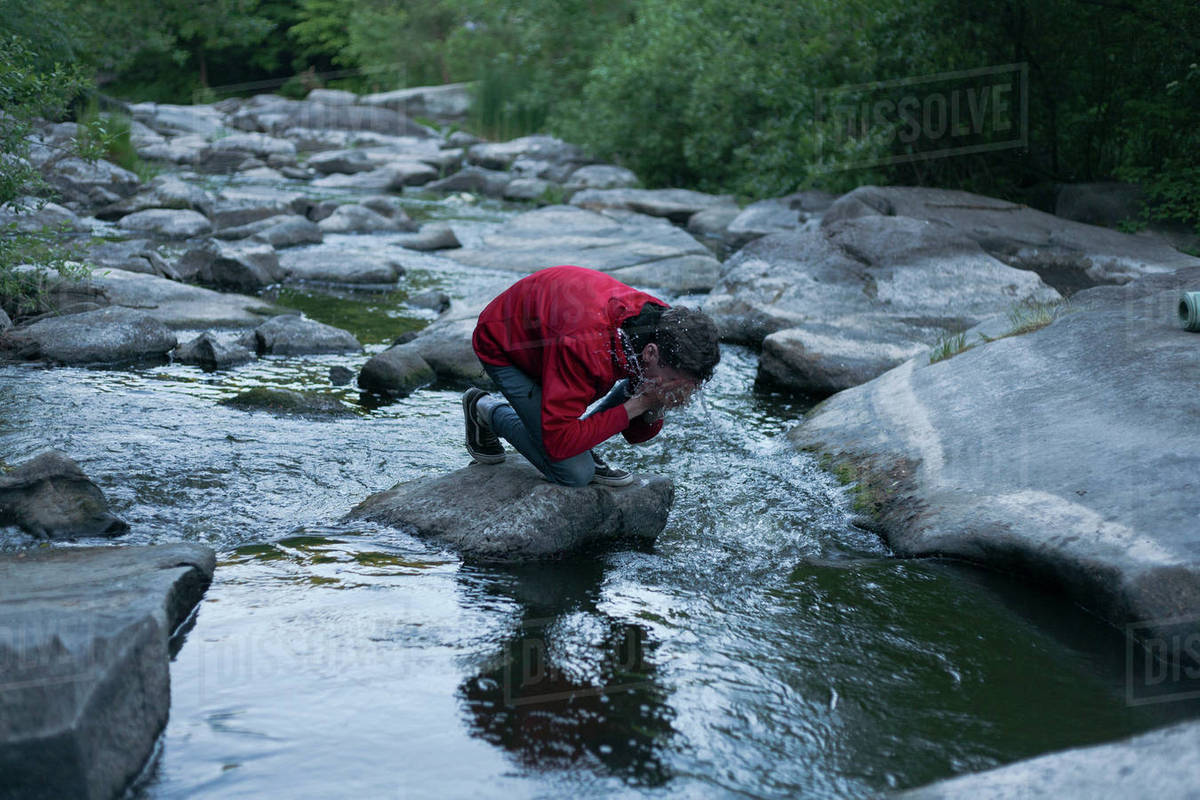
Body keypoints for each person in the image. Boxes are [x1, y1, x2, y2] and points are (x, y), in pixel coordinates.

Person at [463, 265, 721, 487]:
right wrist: (642, 402)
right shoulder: (586, 348)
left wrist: (656, 405)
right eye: (676, 382)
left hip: (551, 336)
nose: (680, 390)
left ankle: (579, 440)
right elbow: (559, 443)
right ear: (651, 354)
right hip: (507, 344)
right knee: (574, 472)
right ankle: (484, 409)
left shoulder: (663, 325)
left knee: (578, 440)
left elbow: (636, 434)